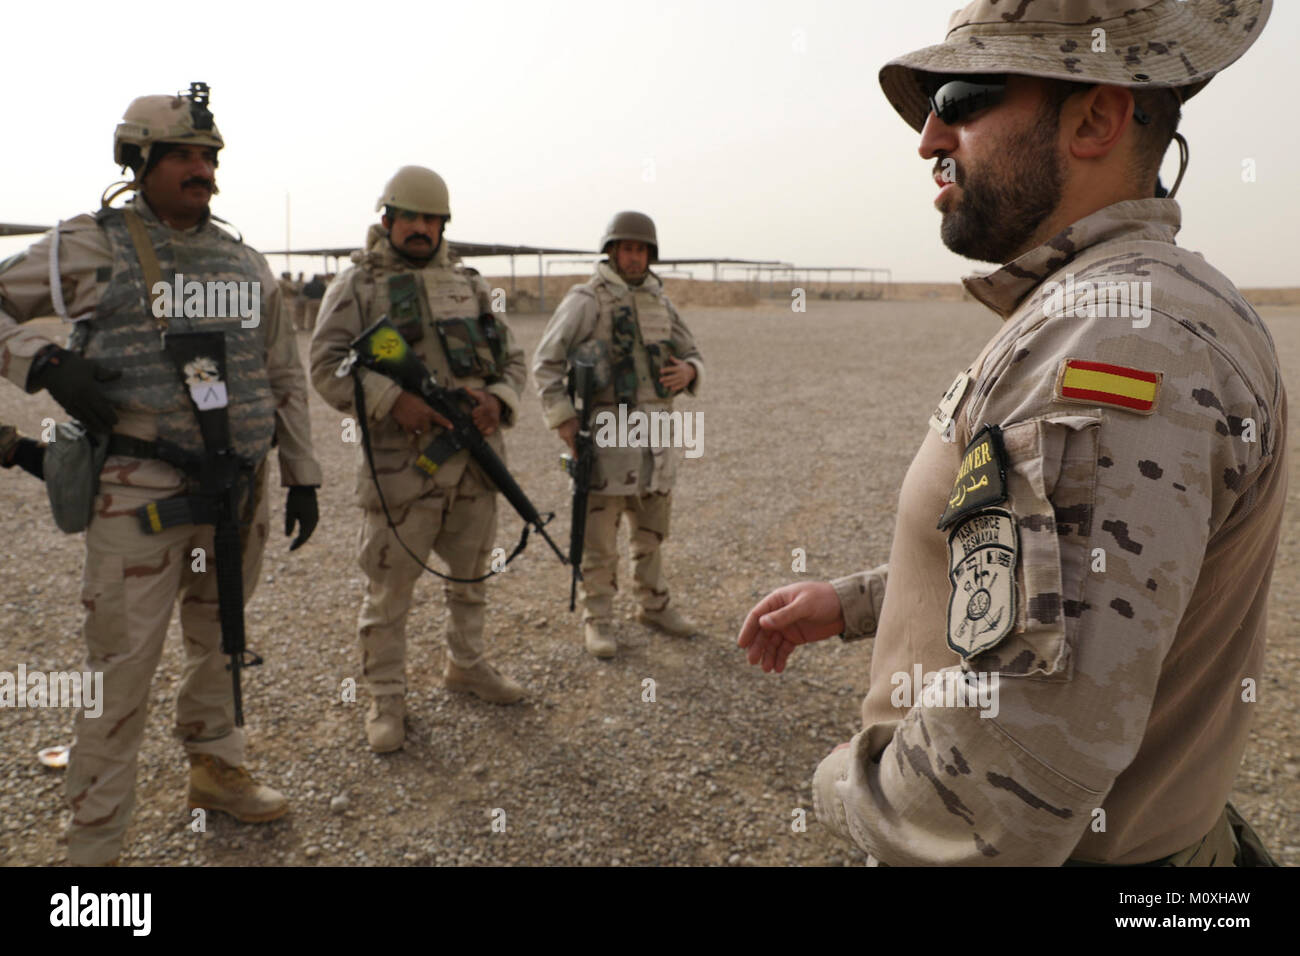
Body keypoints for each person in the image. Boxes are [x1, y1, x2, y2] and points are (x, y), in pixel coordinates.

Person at [739, 0, 1282, 866]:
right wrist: (862, 602)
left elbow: (995, 803)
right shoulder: (1122, 305)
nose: (926, 139)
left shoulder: (1113, 340)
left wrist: (842, 784)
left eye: (958, 98)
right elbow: (1055, 562)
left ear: (1097, 116)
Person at [0, 83, 322, 865]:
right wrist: (41, 362)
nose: (200, 168)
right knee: (120, 672)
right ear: (137, 159)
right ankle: (94, 851)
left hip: (236, 493)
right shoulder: (92, 246)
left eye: (209, 155)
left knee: (219, 646)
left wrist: (302, 471)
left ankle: (217, 770)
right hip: (141, 496)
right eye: (181, 153)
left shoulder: (246, 261)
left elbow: (283, 372)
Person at [309, 165, 528, 754]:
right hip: (401, 472)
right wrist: (391, 400)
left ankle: (467, 665)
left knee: (472, 579)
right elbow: (326, 366)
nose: (421, 228)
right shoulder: (355, 286)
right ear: (388, 219)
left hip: (475, 466)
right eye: (411, 217)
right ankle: (385, 698)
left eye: (432, 219)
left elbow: (514, 359)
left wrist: (496, 400)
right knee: (388, 593)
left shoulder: (471, 284)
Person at [532, 212, 704, 658]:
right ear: (611, 251)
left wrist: (689, 371)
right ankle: (599, 619)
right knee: (599, 541)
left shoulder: (660, 302)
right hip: (606, 443)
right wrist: (564, 421)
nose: (633, 256)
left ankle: (654, 604)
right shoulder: (586, 300)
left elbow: (692, 353)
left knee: (651, 537)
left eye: (641, 249)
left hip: (656, 442)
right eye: (626, 248)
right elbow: (546, 363)